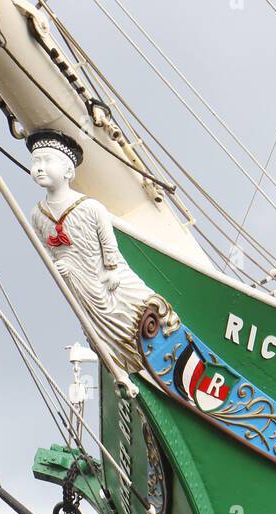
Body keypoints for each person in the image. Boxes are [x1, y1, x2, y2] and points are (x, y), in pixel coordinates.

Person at [27, 128, 178, 376]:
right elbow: (48, 250)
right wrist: (59, 266)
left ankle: (146, 349)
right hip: (77, 283)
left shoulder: (90, 207)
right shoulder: (37, 215)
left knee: (127, 311)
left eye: (47, 161)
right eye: (35, 162)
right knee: (96, 326)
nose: (39, 167)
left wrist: (110, 269)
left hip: (105, 279)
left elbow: (108, 243)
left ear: (68, 170)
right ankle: (124, 361)